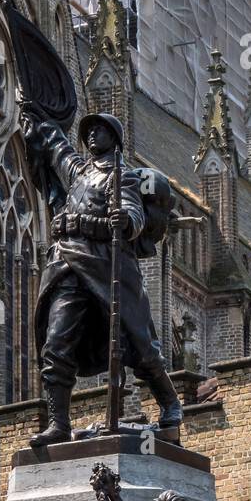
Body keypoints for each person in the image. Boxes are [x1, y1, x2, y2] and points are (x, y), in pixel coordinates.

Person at [19, 109, 183, 448]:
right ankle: (59, 424)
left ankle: (170, 405)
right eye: (89, 130)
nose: (92, 135)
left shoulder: (122, 176)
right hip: (67, 261)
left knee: (139, 343)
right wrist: (34, 116)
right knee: (55, 344)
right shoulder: (77, 171)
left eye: (101, 129)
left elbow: (134, 210)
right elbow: (55, 145)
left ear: (115, 138)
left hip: (107, 264)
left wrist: (127, 220)